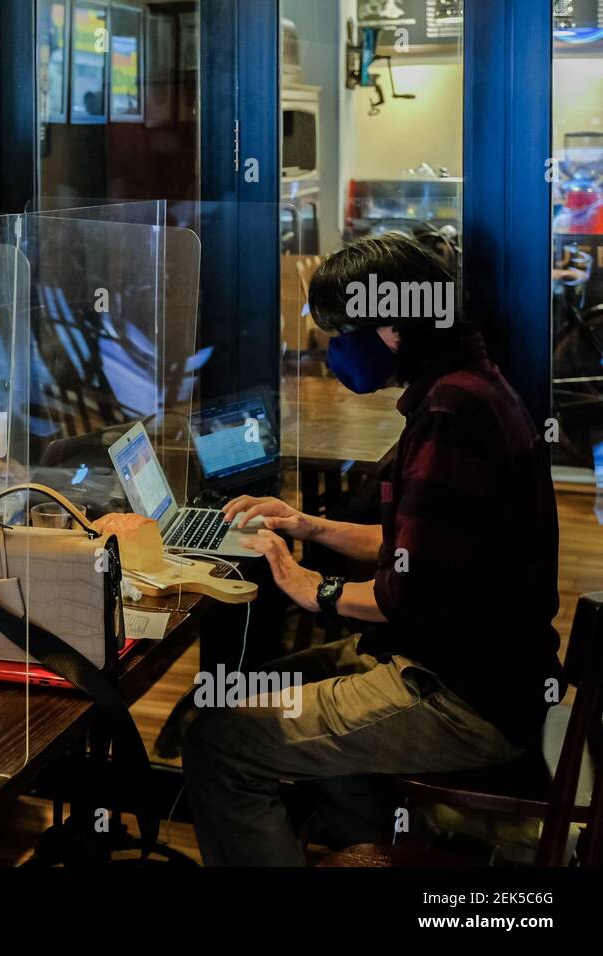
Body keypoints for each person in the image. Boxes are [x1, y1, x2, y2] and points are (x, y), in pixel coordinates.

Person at [180, 233, 562, 866]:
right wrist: (309, 526)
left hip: (464, 700)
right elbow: (425, 545)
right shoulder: (470, 385)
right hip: (489, 679)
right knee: (237, 692)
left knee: (219, 742)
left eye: (339, 330)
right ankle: (373, 847)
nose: (333, 347)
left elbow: (406, 594)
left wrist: (311, 587)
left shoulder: (453, 411)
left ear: (389, 328)